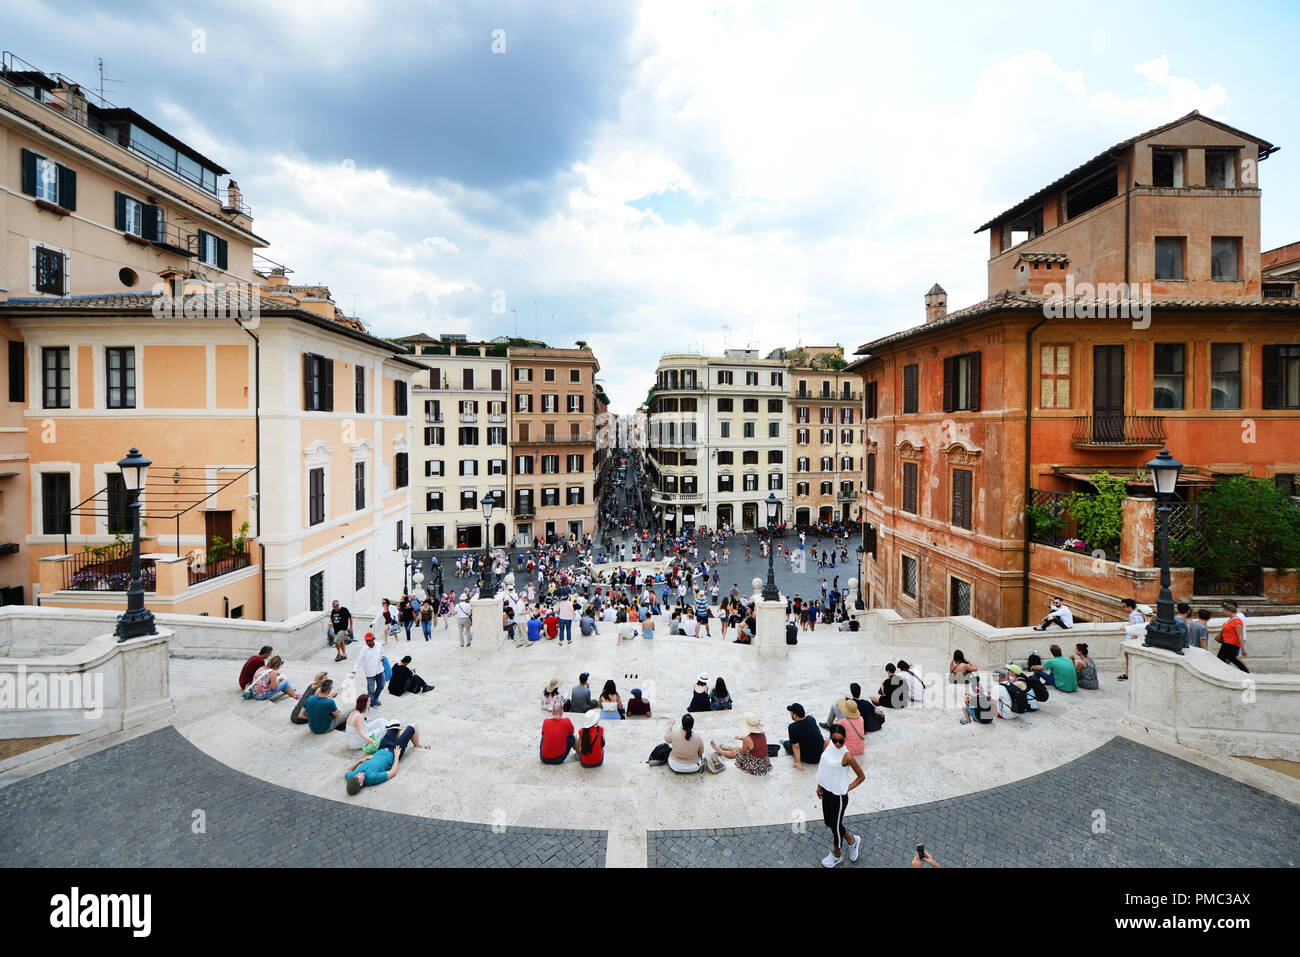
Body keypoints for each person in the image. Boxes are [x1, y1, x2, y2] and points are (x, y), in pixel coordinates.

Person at [814, 725, 864, 867]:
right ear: (831, 738)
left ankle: (837, 855)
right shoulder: (827, 744)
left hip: (839, 797)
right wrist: (820, 785)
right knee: (829, 822)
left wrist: (847, 788)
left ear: (844, 739)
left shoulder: (847, 756)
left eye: (840, 741)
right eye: (834, 740)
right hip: (827, 792)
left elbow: (861, 776)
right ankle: (852, 841)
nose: (837, 744)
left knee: (835, 828)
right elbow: (823, 767)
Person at [710, 711, 771, 776]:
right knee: (739, 748)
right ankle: (727, 748)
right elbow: (754, 741)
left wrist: (737, 748)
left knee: (734, 753)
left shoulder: (747, 739)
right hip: (764, 762)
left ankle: (719, 750)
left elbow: (742, 752)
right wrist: (741, 738)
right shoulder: (761, 733)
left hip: (756, 765)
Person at [782, 703, 824, 770]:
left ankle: (784, 741)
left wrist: (798, 762)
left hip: (809, 759)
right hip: (820, 755)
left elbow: (796, 747)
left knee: (787, 744)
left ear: (795, 715)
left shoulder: (792, 727)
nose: (791, 715)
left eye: (791, 713)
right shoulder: (811, 719)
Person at [1116, 599, 1150, 680]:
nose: (1123, 608)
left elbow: (1136, 631)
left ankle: (1128, 674)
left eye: (1124, 606)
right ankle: (1128, 674)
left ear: (1129, 607)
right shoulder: (1135, 615)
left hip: (1132, 641)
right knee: (1128, 657)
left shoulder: (1136, 616)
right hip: (1131, 640)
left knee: (1130, 658)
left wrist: (1132, 642)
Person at [350, 633, 386, 708]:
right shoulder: (364, 650)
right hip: (370, 673)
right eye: (366, 641)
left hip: (380, 670)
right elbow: (358, 662)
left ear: (373, 639)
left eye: (369, 640)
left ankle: (375, 698)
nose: (368, 642)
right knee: (370, 691)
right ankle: (372, 704)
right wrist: (354, 670)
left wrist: (382, 657)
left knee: (382, 685)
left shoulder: (379, 645)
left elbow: (382, 653)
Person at [1217, 601, 1249, 672]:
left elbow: (1240, 635)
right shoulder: (1231, 620)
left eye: (1225, 611)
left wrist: (1243, 649)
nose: (1224, 612)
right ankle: (1245, 671)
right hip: (1226, 642)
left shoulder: (1237, 621)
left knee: (1225, 658)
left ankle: (1246, 671)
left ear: (1229, 611)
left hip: (1232, 643)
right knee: (1230, 658)